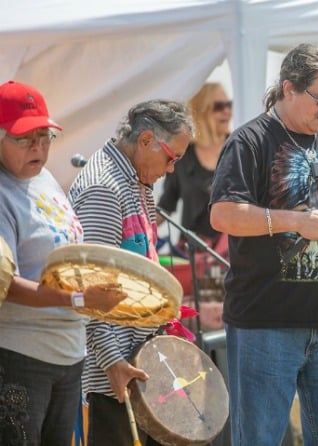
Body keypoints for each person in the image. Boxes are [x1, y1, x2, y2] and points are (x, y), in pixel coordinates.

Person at [209, 43, 318, 445]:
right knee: (260, 438)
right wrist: (295, 222)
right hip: (266, 324)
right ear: (289, 88)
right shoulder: (249, 141)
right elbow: (223, 214)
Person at [0, 80, 125, 445]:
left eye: (44, 136)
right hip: (21, 354)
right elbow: (4, 285)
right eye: (25, 138)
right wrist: (78, 300)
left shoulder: (46, 179)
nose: (38, 147)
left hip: (68, 353)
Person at [69, 99, 194, 445]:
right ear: (145, 140)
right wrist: (112, 361)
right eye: (172, 157)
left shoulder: (137, 181)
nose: (171, 169)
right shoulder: (103, 188)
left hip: (140, 361)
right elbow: (89, 286)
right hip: (116, 374)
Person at [157, 82, 232, 255]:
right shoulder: (183, 155)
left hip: (231, 257)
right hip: (192, 255)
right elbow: (166, 205)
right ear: (202, 110)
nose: (227, 111)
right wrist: (138, 229)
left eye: (229, 105)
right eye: (219, 106)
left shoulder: (240, 148)